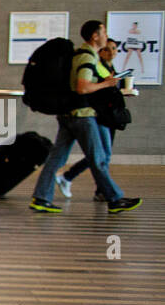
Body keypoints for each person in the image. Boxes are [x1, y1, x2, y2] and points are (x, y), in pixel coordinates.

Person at [30, 20, 140, 214]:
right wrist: (106, 84)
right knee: (98, 158)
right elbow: (82, 87)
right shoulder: (86, 57)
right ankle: (114, 199)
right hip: (82, 116)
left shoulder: (85, 56)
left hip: (69, 114)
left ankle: (41, 197)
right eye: (103, 32)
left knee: (57, 159)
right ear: (95, 36)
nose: (106, 36)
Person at [57, 38, 118, 198]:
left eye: (114, 49)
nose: (112, 52)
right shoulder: (91, 61)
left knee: (101, 155)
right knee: (100, 155)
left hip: (104, 113)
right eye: (108, 48)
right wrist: (106, 85)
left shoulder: (107, 67)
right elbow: (83, 87)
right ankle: (109, 194)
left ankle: (103, 191)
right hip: (92, 113)